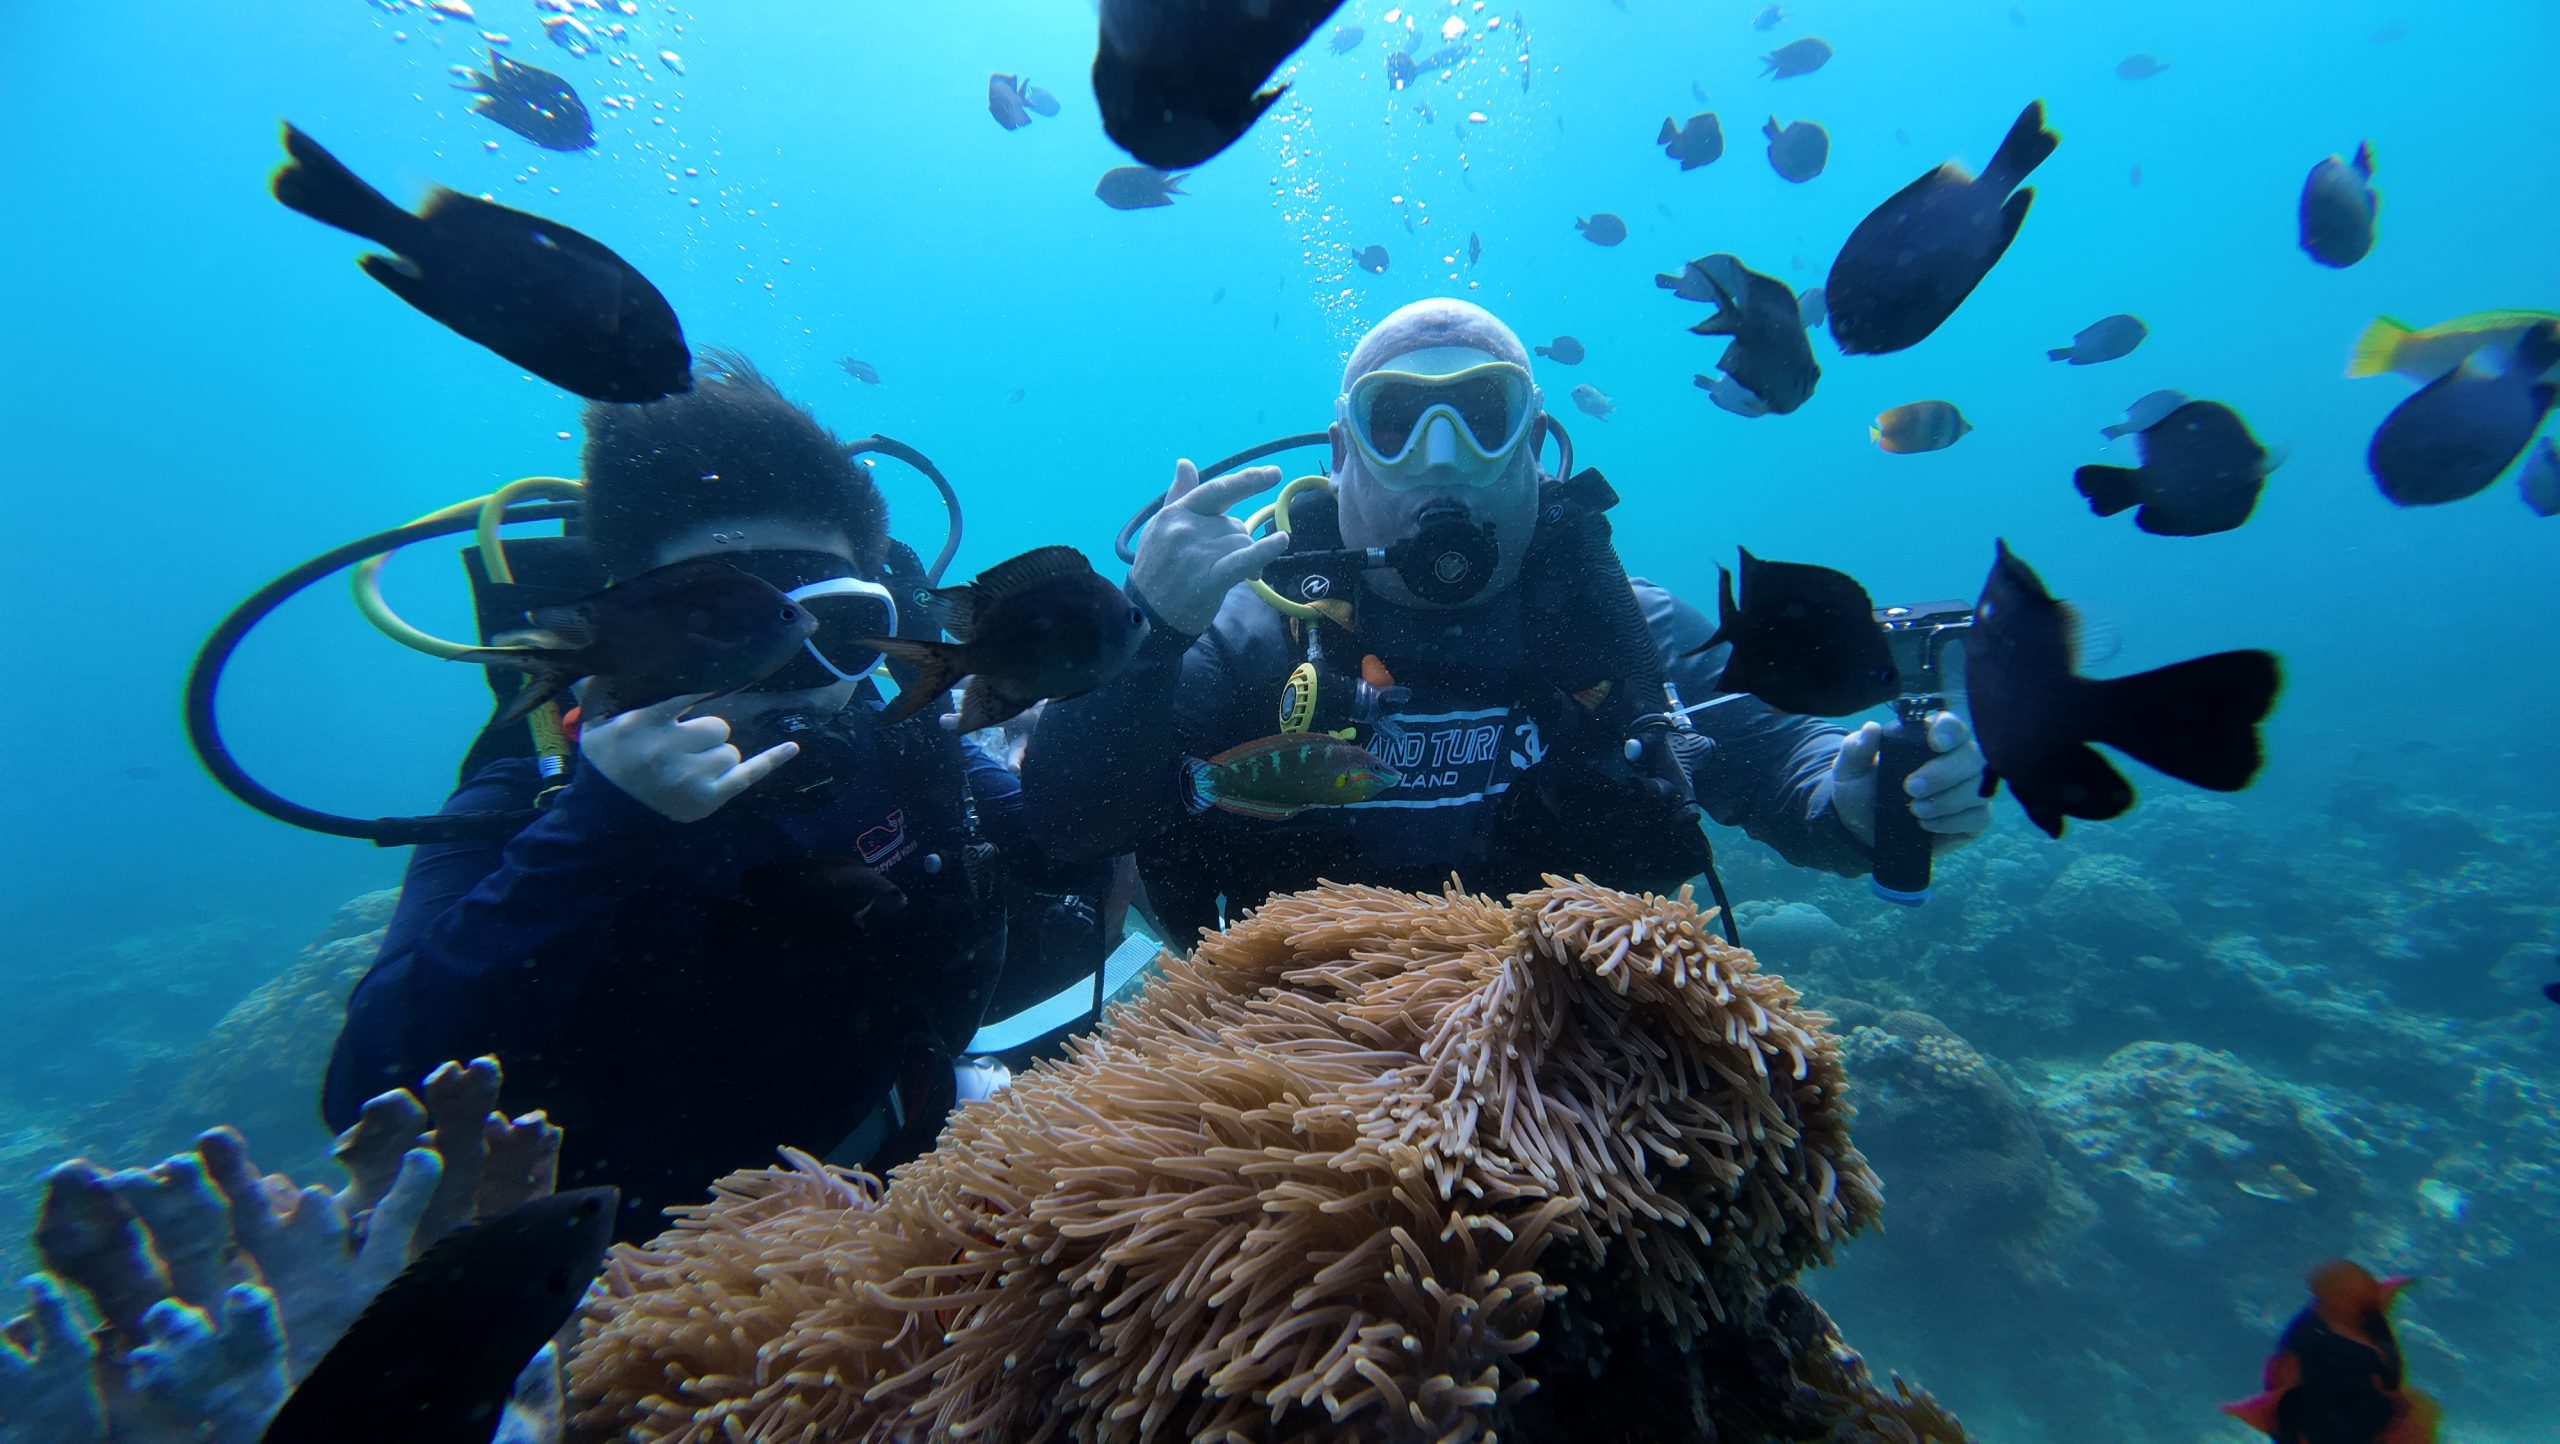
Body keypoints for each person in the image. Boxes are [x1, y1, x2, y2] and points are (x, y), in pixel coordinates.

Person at [325, 354, 1023, 1238]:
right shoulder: (539, 806)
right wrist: (601, 829)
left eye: (838, 631)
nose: (785, 680)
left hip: (899, 1149)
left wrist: (1153, 633)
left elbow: (1062, 838)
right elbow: (368, 1093)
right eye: (718, 633)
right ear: (629, 630)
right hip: (645, 1273)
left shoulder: (906, 746)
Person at [1023, 299, 1991, 939]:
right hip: (1296, 1077)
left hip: (1580, 1069)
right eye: (1395, 421)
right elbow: (1069, 822)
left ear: (1534, 444)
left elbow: (1778, 759)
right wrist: (1145, 633)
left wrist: (1854, 797)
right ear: (1342, 450)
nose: (1442, 459)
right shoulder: (1248, 633)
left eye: (1482, 417)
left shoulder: (1623, 629)